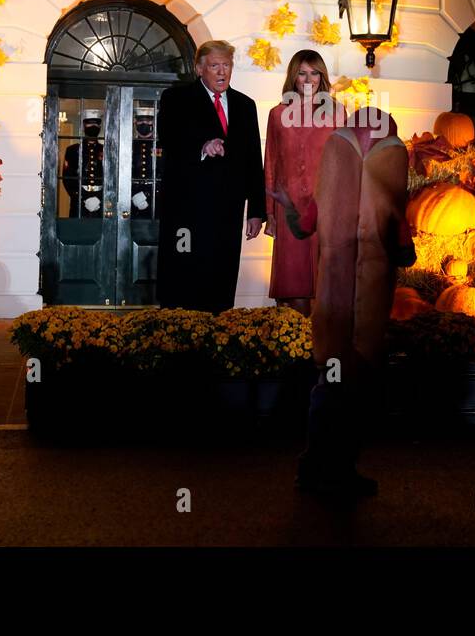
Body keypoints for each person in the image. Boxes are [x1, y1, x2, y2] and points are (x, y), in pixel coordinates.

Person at [270, 107, 415, 499]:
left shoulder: (331, 179)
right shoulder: (387, 184)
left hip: (334, 305)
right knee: (353, 390)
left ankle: (317, 468)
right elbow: (405, 253)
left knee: (329, 385)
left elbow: (303, 226)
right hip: (363, 308)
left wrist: (287, 204)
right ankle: (336, 469)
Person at [155, 40, 265, 314]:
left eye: (226, 65)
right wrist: (202, 148)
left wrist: (256, 211)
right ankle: (180, 339)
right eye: (215, 65)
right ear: (199, 68)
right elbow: (169, 140)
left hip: (228, 210)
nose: (221, 72)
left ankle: (218, 335)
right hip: (187, 211)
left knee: (222, 276)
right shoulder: (175, 99)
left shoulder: (245, 105)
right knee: (185, 277)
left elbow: (253, 159)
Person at [263, 51, 344, 316]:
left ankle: (325, 346)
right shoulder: (278, 114)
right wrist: (269, 212)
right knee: (293, 278)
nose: (308, 79)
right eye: (302, 72)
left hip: (327, 206)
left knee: (327, 281)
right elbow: (271, 164)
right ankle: (294, 341)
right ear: (293, 77)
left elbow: (345, 163)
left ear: (322, 77)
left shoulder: (337, 113)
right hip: (290, 209)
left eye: (314, 72)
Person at [61, 109, 104, 218]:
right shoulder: (72, 150)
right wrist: (83, 198)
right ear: (84, 125)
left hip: (100, 204)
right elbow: (68, 178)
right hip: (79, 203)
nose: (93, 126)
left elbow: (111, 178)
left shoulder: (105, 150)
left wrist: (100, 198)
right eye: (90, 123)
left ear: (100, 126)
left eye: (96, 123)